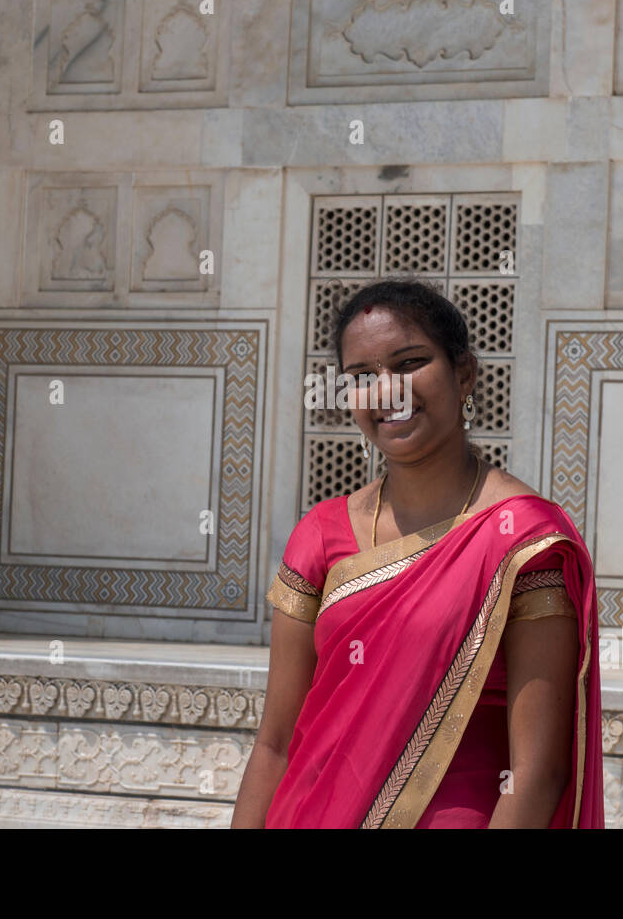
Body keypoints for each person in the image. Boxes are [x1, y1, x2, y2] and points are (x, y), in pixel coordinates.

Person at [232, 276, 603, 828]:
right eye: (362, 377)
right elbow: (276, 743)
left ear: (464, 375)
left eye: (408, 364)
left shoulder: (522, 541)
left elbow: (536, 773)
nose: (388, 392)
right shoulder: (321, 534)